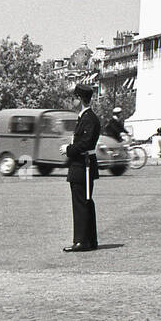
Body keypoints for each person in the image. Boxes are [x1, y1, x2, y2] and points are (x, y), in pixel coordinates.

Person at [63, 85, 101, 253]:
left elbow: (85, 143)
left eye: (73, 98)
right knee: (85, 202)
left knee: (81, 203)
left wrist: (68, 149)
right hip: (82, 164)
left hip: (82, 165)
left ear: (79, 99)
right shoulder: (85, 118)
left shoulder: (89, 119)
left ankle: (81, 241)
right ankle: (90, 239)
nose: (72, 101)